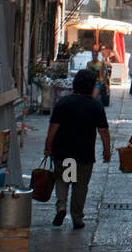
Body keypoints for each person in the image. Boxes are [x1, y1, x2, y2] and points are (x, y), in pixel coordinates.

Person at [44, 68, 111, 228]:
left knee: (64, 179)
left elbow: (53, 127)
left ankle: (61, 206)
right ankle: (77, 217)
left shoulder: (64, 103)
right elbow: (104, 132)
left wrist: (48, 147)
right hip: (84, 152)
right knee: (80, 185)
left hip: (64, 150)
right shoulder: (96, 106)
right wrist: (106, 150)